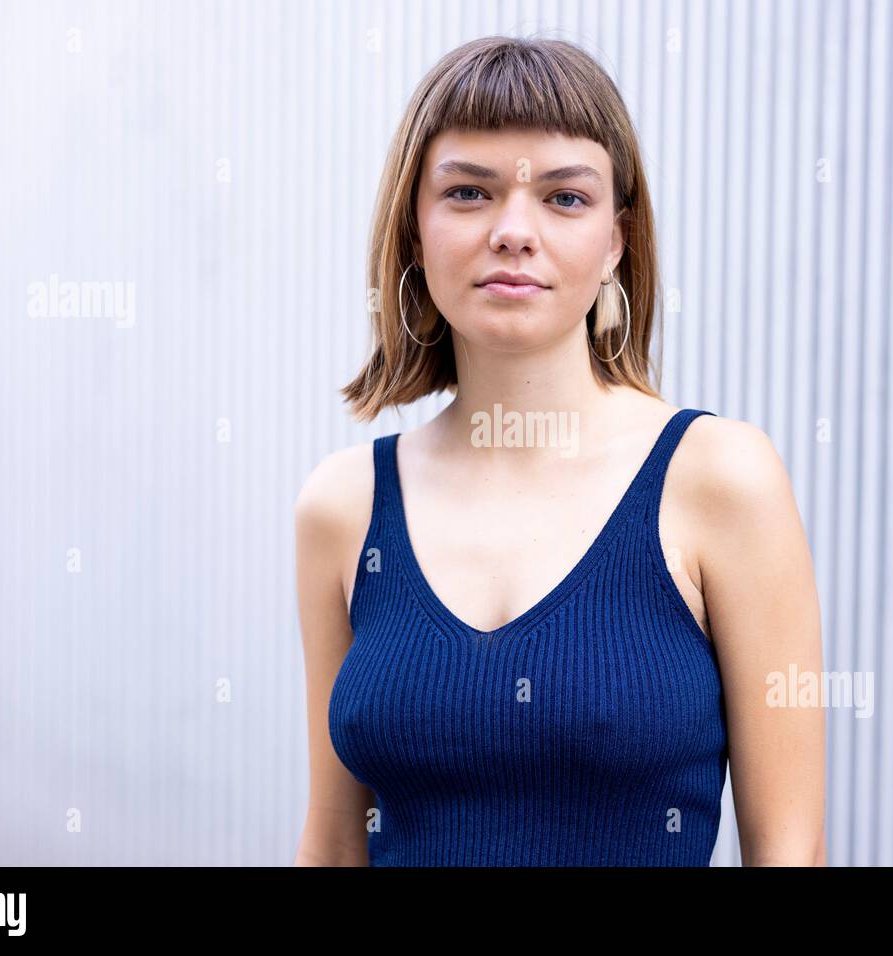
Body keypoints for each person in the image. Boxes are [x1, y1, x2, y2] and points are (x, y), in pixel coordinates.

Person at [293, 35, 824, 866]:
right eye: (469, 192)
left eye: (564, 198)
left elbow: (789, 851)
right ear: (415, 229)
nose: (513, 231)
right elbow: (331, 841)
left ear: (617, 239)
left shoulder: (720, 478)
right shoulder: (344, 505)